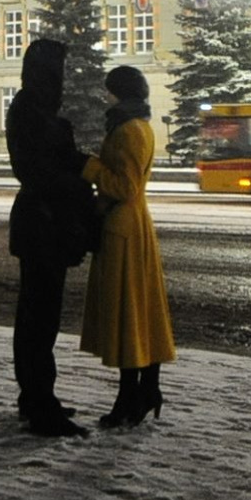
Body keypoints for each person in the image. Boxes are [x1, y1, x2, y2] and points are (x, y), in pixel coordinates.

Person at [5, 39, 96, 438]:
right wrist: (78, 185)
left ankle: (39, 397)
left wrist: (92, 166)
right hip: (40, 223)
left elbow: (57, 160)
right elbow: (35, 170)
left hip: (47, 223)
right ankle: (40, 406)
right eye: (57, 68)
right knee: (38, 320)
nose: (62, 76)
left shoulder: (39, 108)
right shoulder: (28, 109)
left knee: (42, 318)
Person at [80, 65, 176, 428]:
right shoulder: (140, 126)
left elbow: (125, 187)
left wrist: (89, 167)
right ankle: (145, 391)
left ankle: (129, 398)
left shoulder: (129, 130)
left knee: (127, 316)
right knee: (141, 312)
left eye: (110, 90)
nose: (106, 96)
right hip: (134, 227)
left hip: (123, 229)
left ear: (119, 92)